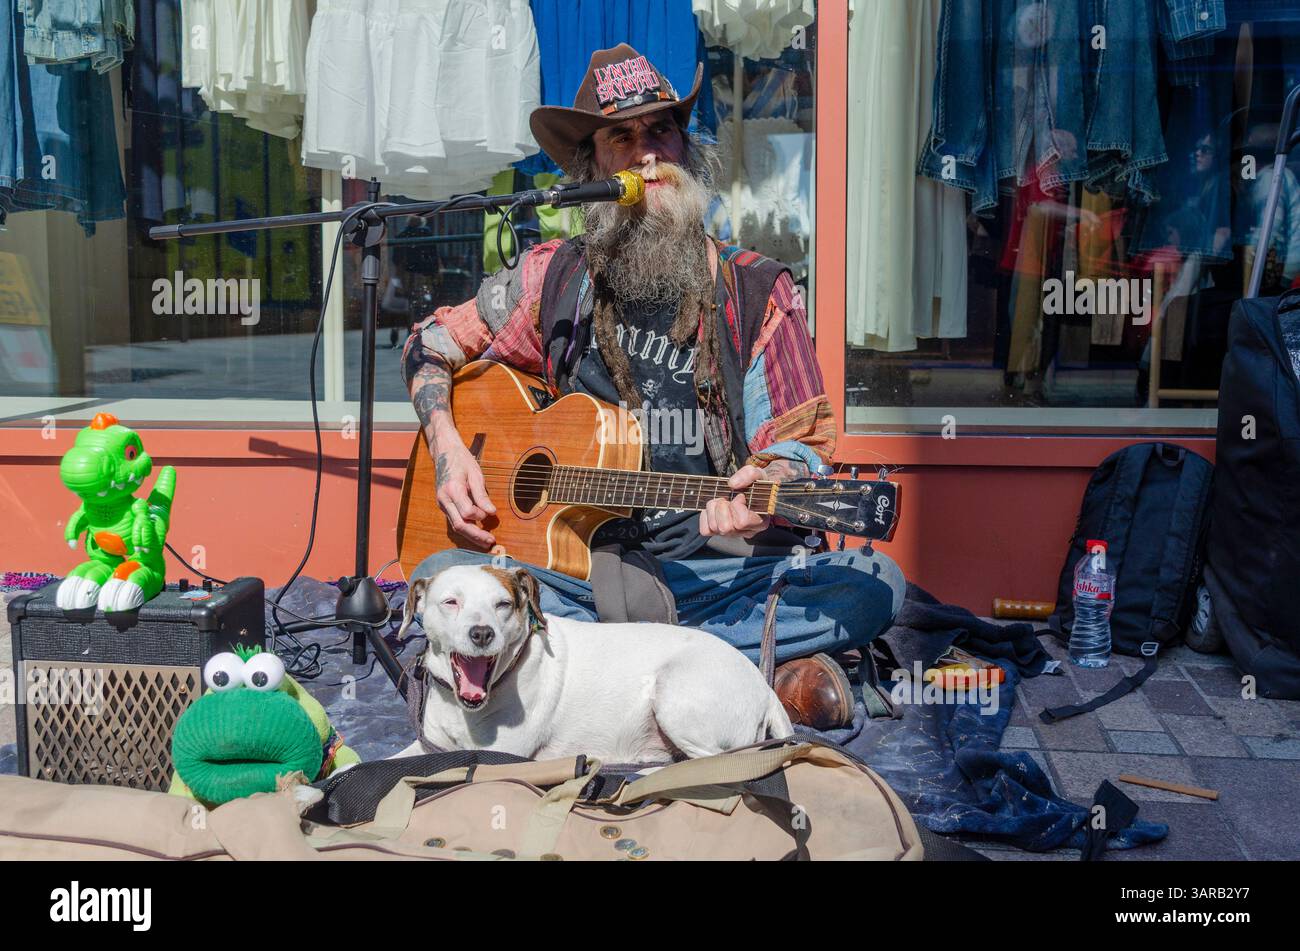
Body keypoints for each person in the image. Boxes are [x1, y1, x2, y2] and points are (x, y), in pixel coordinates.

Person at [400, 45, 904, 729]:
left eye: (661, 131)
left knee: (875, 585)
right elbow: (429, 343)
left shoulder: (754, 290)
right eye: (623, 137)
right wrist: (452, 446)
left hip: (712, 574)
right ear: (592, 167)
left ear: (686, 149)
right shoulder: (552, 279)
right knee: (438, 565)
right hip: (569, 574)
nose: (647, 155)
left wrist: (767, 486)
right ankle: (736, 671)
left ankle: (599, 672)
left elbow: (800, 444)